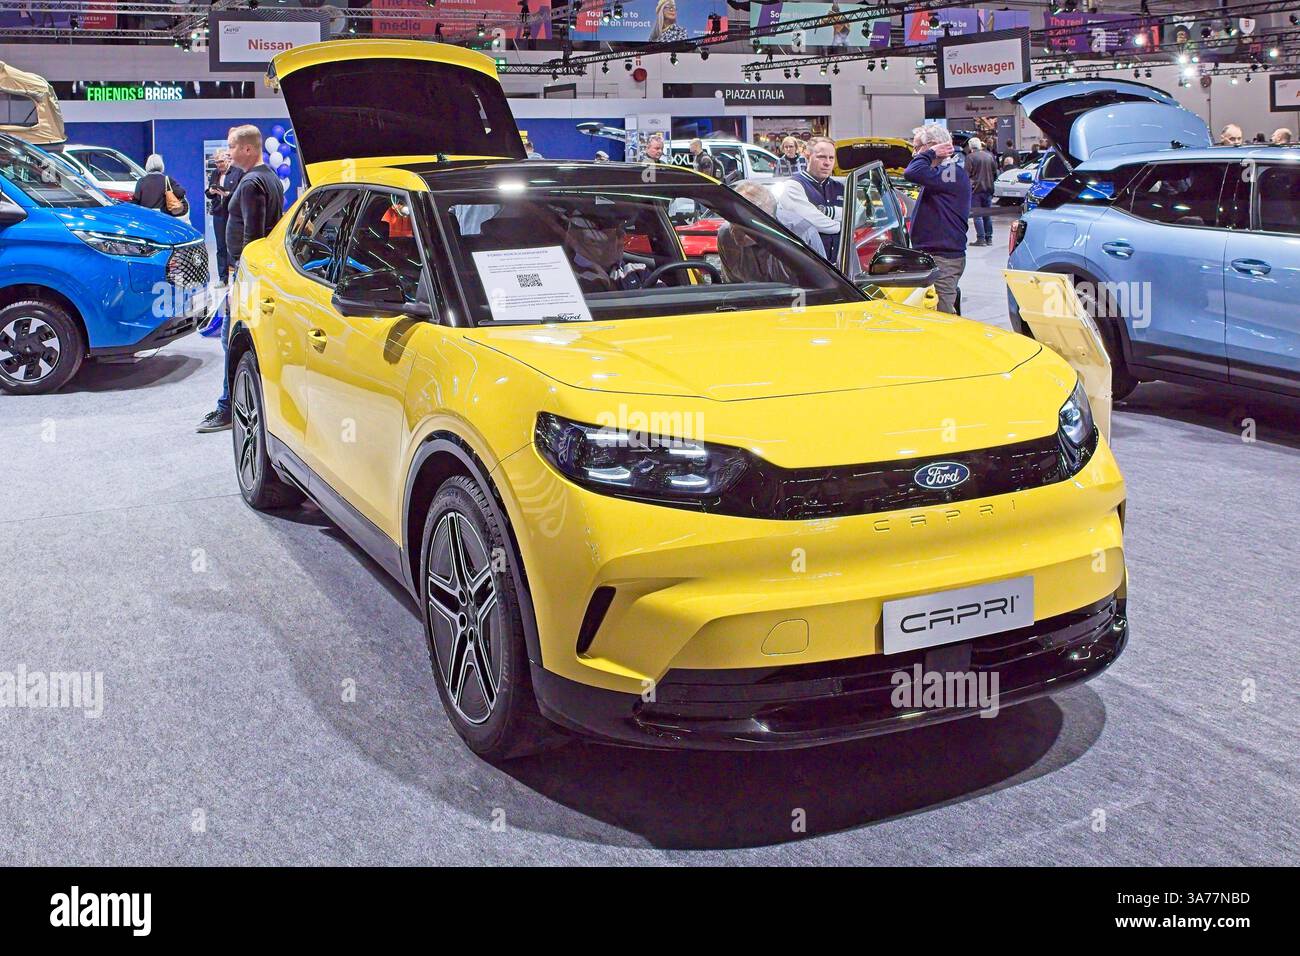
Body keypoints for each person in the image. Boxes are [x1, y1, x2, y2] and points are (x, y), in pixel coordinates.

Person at [197, 125, 285, 434]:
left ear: (247, 149)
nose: (229, 153)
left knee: (230, 340)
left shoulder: (250, 184)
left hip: (248, 277)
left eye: (233, 147)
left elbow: (253, 238)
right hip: (256, 276)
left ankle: (227, 407)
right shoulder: (270, 179)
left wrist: (241, 283)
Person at [904, 124, 970, 314]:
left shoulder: (951, 172)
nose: (914, 154)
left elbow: (912, 172)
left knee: (942, 316)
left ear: (934, 146)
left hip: (944, 259)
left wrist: (930, 153)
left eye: (917, 148)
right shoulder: (940, 174)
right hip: (934, 256)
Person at [777, 136, 844, 261]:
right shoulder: (793, 186)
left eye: (831, 158)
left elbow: (860, 215)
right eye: (821, 157)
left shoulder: (840, 187)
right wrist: (845, 226)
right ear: (807, 157)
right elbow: (811, 221)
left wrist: (829, 212)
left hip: (841, 269)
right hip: (808, 268)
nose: (827, 163)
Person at [718, 182, 794, 284]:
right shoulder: (726, 236)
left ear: (770, 222)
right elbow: (732, 287)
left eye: (746, 222)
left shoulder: (799, 235)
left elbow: (819, 289)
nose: (735, 229)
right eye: (733, 218)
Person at [563, 207, 647, 292]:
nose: (623, 237)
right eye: (617, 233)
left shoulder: (639, 271)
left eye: (622, 227)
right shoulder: (566, 279)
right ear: (589, 240)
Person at [205, 149, 242, 281]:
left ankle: (236, 277)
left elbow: (240, 193)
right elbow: (208, 193)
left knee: (234, 246)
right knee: (220, 246)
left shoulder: (238, 172)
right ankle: (222, 278)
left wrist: (227, 194)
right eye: (216, 162)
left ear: (228, 159)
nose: (218, 165)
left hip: (233, 214)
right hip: (218, 213)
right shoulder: (215, 173)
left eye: (220, 161)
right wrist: (211, 191)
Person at [965, 136, 997, 247]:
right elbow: (995, 172)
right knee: (987, 215)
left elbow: (966, 175)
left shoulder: (970, 157)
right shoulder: (989, 156)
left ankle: (981, 239)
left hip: (976, 190)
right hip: (988, 189)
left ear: (970, 146)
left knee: (977, 215)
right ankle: (989, 238)